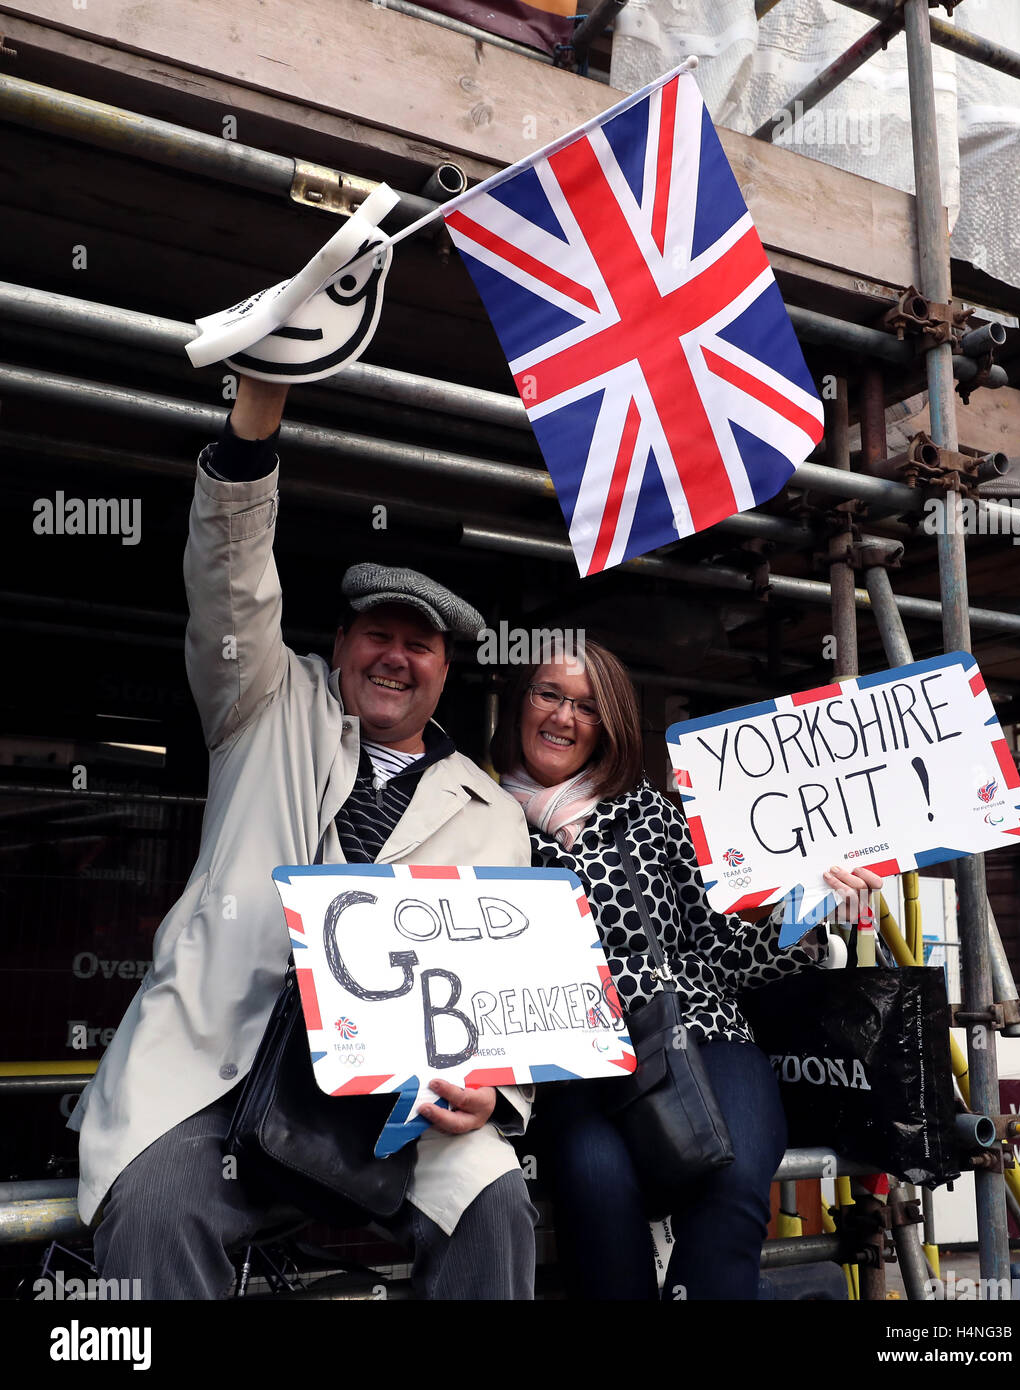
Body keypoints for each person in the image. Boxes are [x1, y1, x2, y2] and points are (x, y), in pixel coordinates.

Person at [70, 375, 537, 1300]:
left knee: (494, 1202)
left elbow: (499, 998)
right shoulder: (267, 702)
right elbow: (230, 580)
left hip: (392, 1107)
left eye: (422, 644)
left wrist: (498, 1096)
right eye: (378, 634)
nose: (396, 656)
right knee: (154, 1212)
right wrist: (255, 427)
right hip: (220, 1075)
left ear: (446, 672)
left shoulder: (496, 815)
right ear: (341, 641)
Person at [490, 640, 882, 1301]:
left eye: (587, 706)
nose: (563, 716)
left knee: (733, 1187)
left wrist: (809, 912)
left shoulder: (652, 813)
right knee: (598, 1198)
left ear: (609, 724)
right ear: (521, 702)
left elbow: (721, 946)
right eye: (549, 694)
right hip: (580, 1066)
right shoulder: (483, 819)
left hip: (704, 1032)